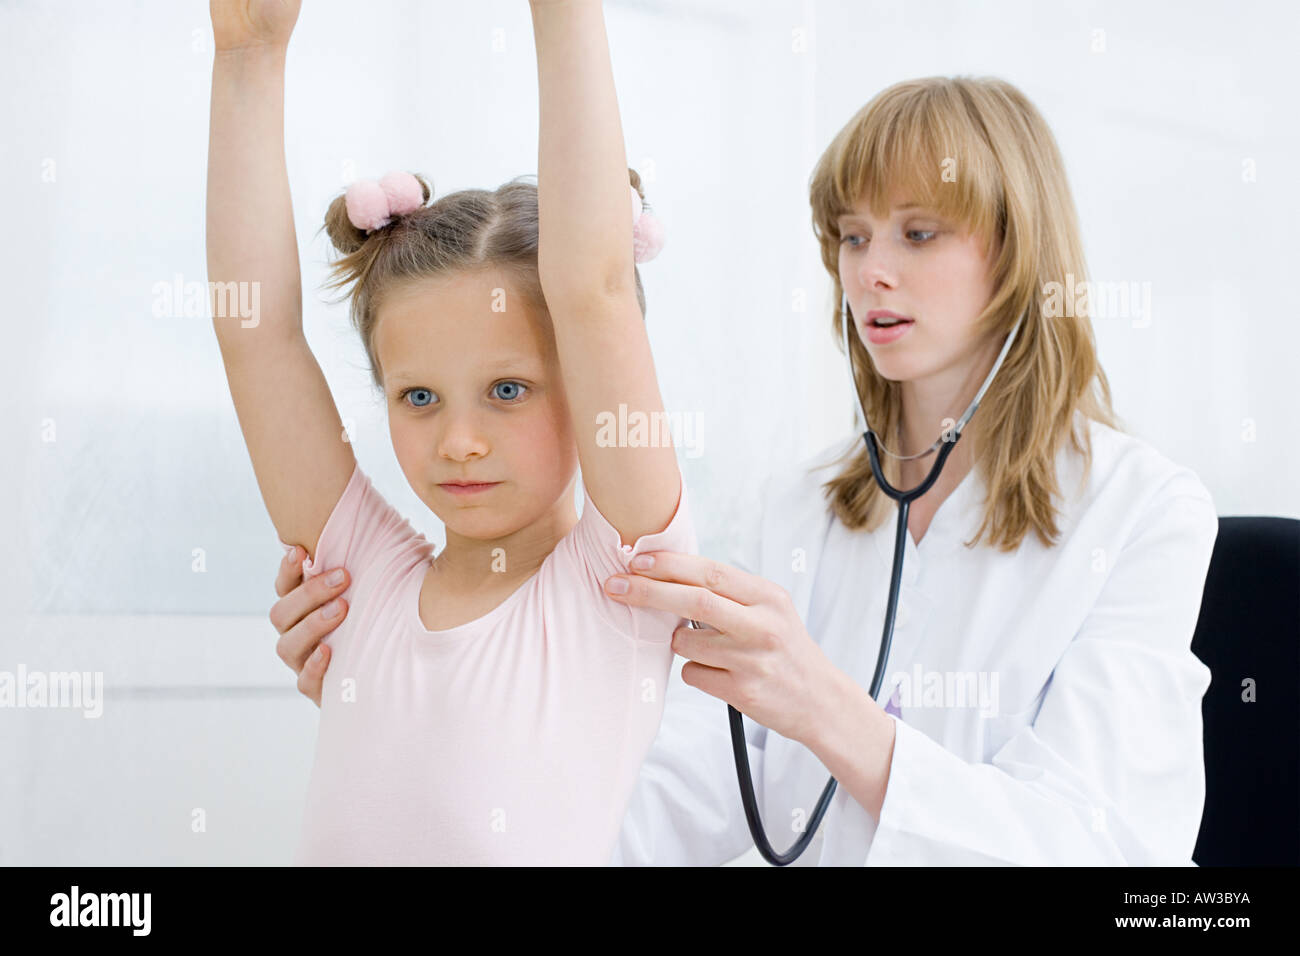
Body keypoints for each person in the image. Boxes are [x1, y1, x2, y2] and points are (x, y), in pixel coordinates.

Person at [271, 72, 1219, 865]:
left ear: (1018, 253)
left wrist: (827, 710)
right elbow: (682, 787)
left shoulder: (1146, 514)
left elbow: (1112, 851)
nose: (870, 272)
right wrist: (429, 707)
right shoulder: (807, 508)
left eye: (917, 234)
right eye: (851, 236)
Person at [208, 0, 695, 864]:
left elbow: (595, 290)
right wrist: (249, 56)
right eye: (419, 397)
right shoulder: (362, 586)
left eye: (507, 389)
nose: (458, 440)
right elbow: (258, 340)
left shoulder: (619, 587)